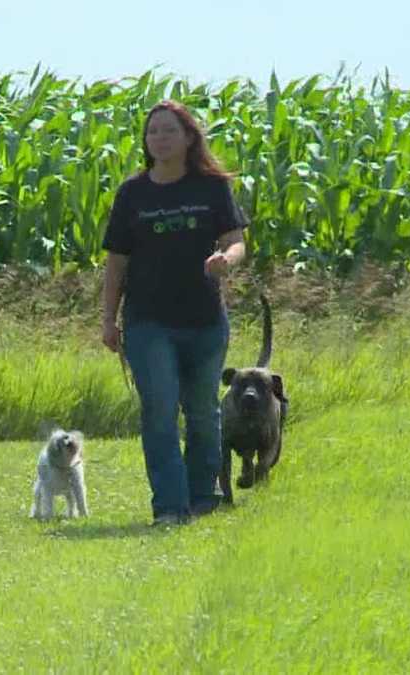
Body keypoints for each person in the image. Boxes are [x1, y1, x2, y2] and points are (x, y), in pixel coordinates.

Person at [99, 99, 248, 526]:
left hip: (204, 320)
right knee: (160, 410)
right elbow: (116, 263)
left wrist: (227, 259)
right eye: (152, 132)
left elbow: (236, 240)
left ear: (188, 137)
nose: (159, 139)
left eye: (168, 131)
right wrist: (108, 319)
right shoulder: (133, 194)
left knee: (203, 410)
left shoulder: (212, 188)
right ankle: (169, 506)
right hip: (148, 322)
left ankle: (202, 497)